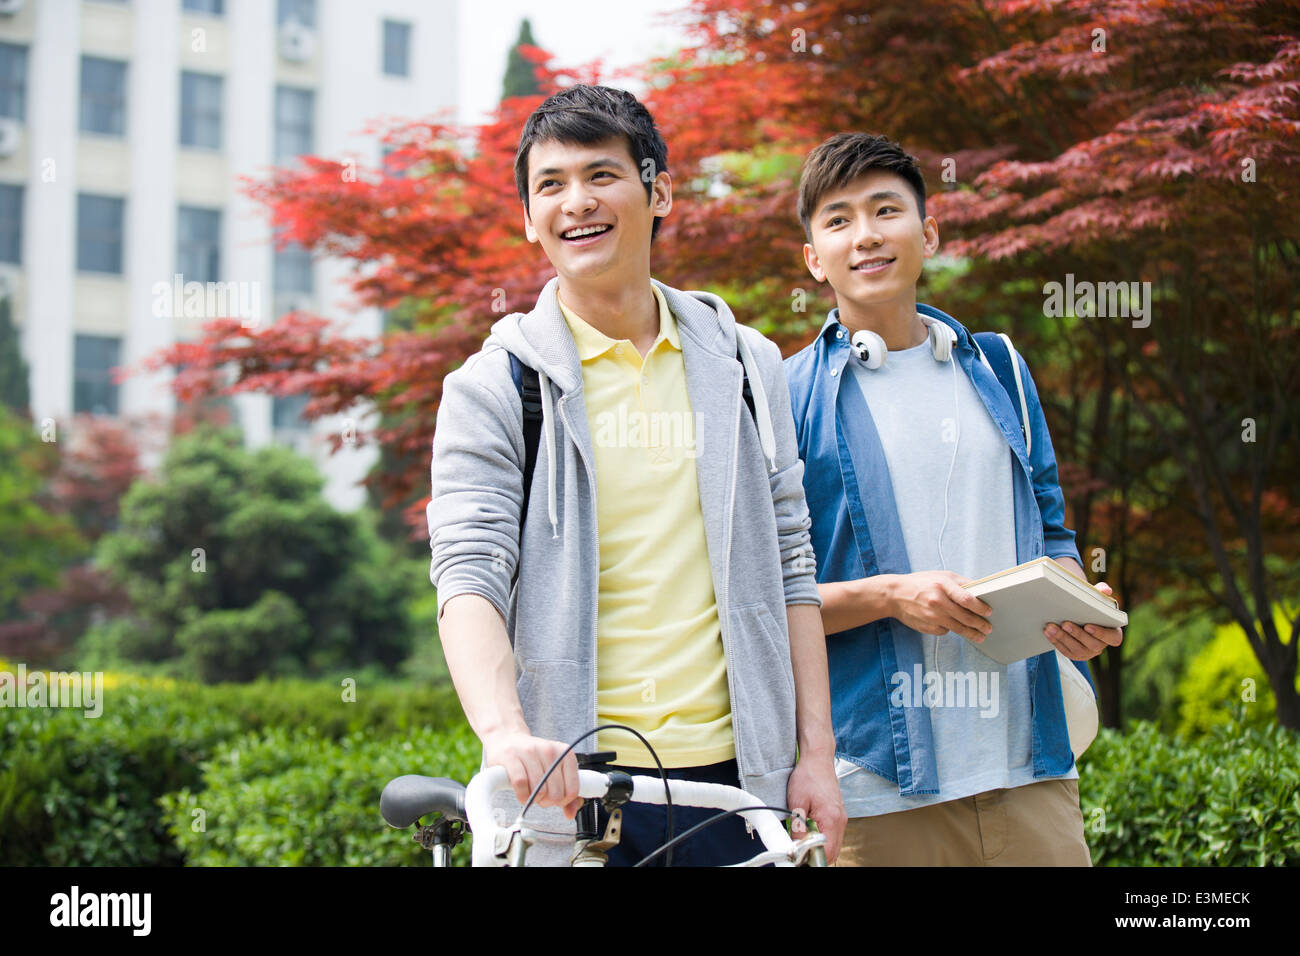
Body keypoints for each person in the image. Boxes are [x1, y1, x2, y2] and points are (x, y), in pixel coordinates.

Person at [427, 84, 844, 866]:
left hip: (740, 789)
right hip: (570, 790)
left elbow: (794, 566)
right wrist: (505, 731)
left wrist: (814, 754)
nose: (575, 202)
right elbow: (467, 573)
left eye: (601, 175)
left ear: (659, 193)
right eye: (549, 185)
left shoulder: (747, 365)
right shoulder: (494, 387)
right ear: (527, 218)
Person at [783, 132, 1124, 866]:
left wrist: (1076, 604)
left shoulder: (999, 366)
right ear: (813, 257)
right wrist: (890, 596)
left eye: (886, 210)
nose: (866, 235)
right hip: (876, 788)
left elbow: (1052, 532)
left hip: (1033, 774)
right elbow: (766, 599)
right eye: (838, 220)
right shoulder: (786, 399)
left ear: (928, 232)